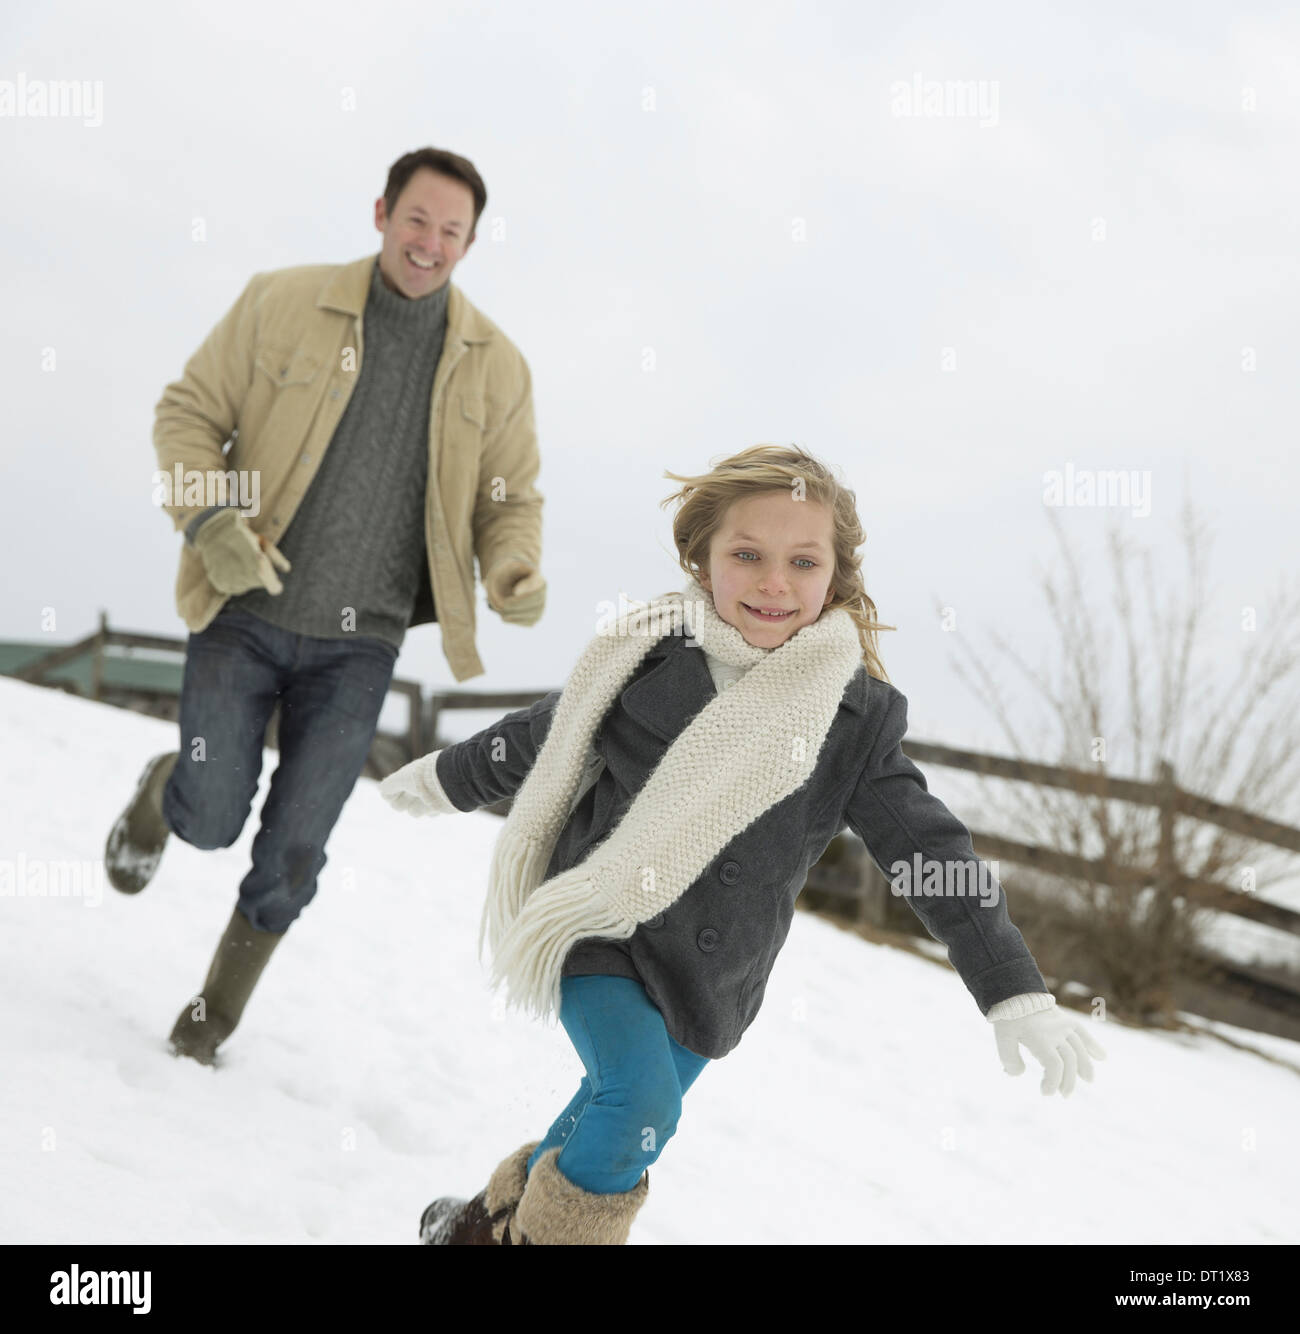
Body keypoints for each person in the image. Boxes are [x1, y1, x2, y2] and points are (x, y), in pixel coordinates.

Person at [378, 443, 1106, 1245]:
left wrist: (1012, 986)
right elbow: (542, 738)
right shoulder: (643, 659)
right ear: (704, 559)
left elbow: (932, 856)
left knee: (613, 1111)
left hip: (712, 976)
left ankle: (479, 1227)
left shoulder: (855, 723)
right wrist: (445, 778)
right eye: (748, 554)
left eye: (802, 561)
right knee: (639, 1102)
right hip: (601, 928)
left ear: (835, 576)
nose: (773, 582)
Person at [104, 147, 545, 1066]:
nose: (429, 244)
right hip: (244, 609)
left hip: (361, 647)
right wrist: (210, 517)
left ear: (470, 244)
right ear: (381, 212)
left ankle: (214, 1016)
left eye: (451, 231)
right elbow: (186, 413)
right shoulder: (283, 301)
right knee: (215, 815)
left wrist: (512, 567)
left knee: (296, 847)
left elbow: (509, 498)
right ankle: (165, 795)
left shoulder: (497, 366)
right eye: (416, 220)